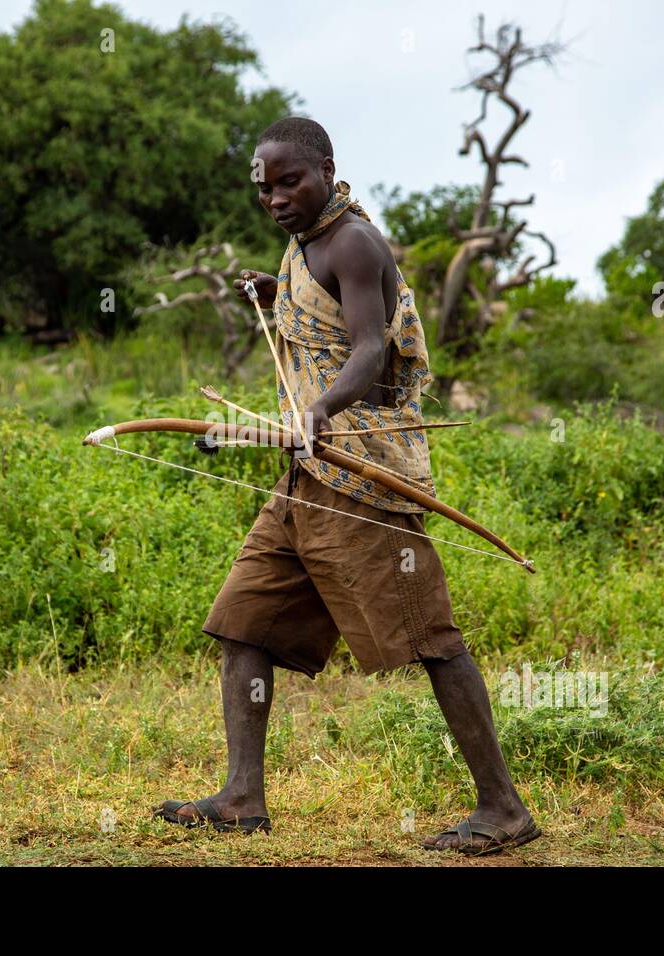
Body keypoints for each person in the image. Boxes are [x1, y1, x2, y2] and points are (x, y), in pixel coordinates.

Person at [151, 117, 541, 855]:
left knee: (431, 640)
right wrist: (278, 297)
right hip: (305, 480)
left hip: (363, 477)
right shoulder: (303, 248)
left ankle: (503, 808)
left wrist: (323, 407)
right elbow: (328, 320)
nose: (275, 198)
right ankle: (241, 796)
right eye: (264, 188)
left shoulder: (354, 241)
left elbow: (368, 348)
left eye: (289, 181)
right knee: (243, 624)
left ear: (326, 169)